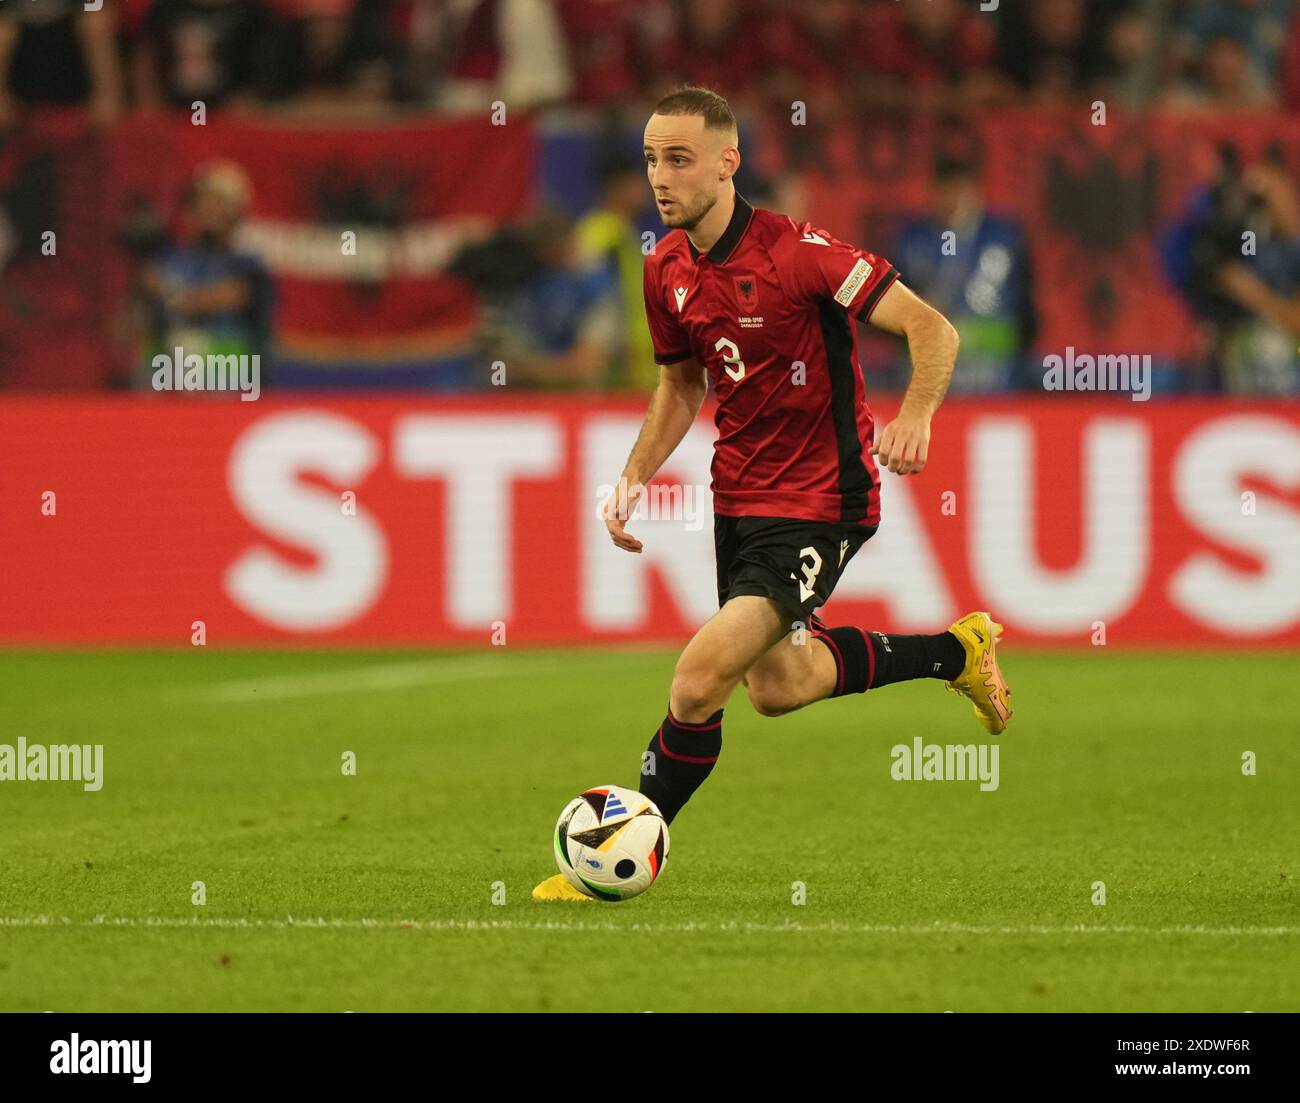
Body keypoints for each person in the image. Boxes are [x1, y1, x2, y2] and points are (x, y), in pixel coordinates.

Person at [533, 87, 1013, 902]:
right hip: (739, 502)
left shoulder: (803, 254)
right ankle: (955, 651)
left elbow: (936, 328)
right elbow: (681, 386)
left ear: (729, 163)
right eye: (652, 158)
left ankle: (617, 853)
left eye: (679, 159)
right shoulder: (666, 268)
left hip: (824, 499)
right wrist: (634, 475)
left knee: (697, 677)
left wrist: (917, 414)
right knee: (778, 685)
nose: (660, 176)